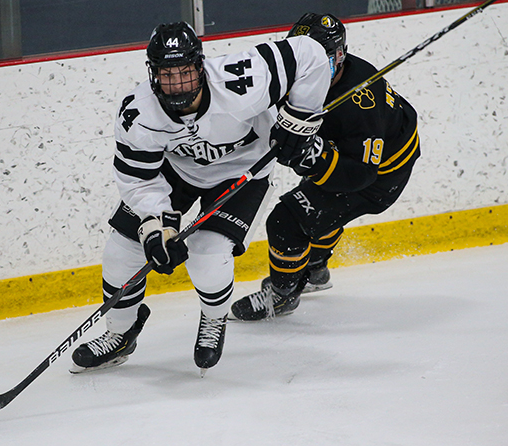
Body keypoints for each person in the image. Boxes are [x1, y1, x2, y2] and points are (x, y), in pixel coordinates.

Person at [70, 21, 331, 374]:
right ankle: (120, 333)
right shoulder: (139, 114)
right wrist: (156, 227)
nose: (178, 84)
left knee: (207, 256)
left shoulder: (240, 80)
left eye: (186, 72)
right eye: (167, 75)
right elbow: (138, 180)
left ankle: (213, 318)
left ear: (201, 67)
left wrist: (299, 122)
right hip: (178, 171)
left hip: (242, 171)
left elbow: (310, 53)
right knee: (121, 252)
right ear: (153, 75)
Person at [230, 13, 421, 321]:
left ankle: (282, 294)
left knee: (285, 221)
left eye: (321, 59)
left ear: (340, 56)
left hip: (380, 176)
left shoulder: (360, 102)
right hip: (354, 154)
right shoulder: (306, 75)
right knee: (317, 207)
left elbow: (360, 173)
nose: (310, 68)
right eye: (303, 57)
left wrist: (314, 157)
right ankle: (316, 271)